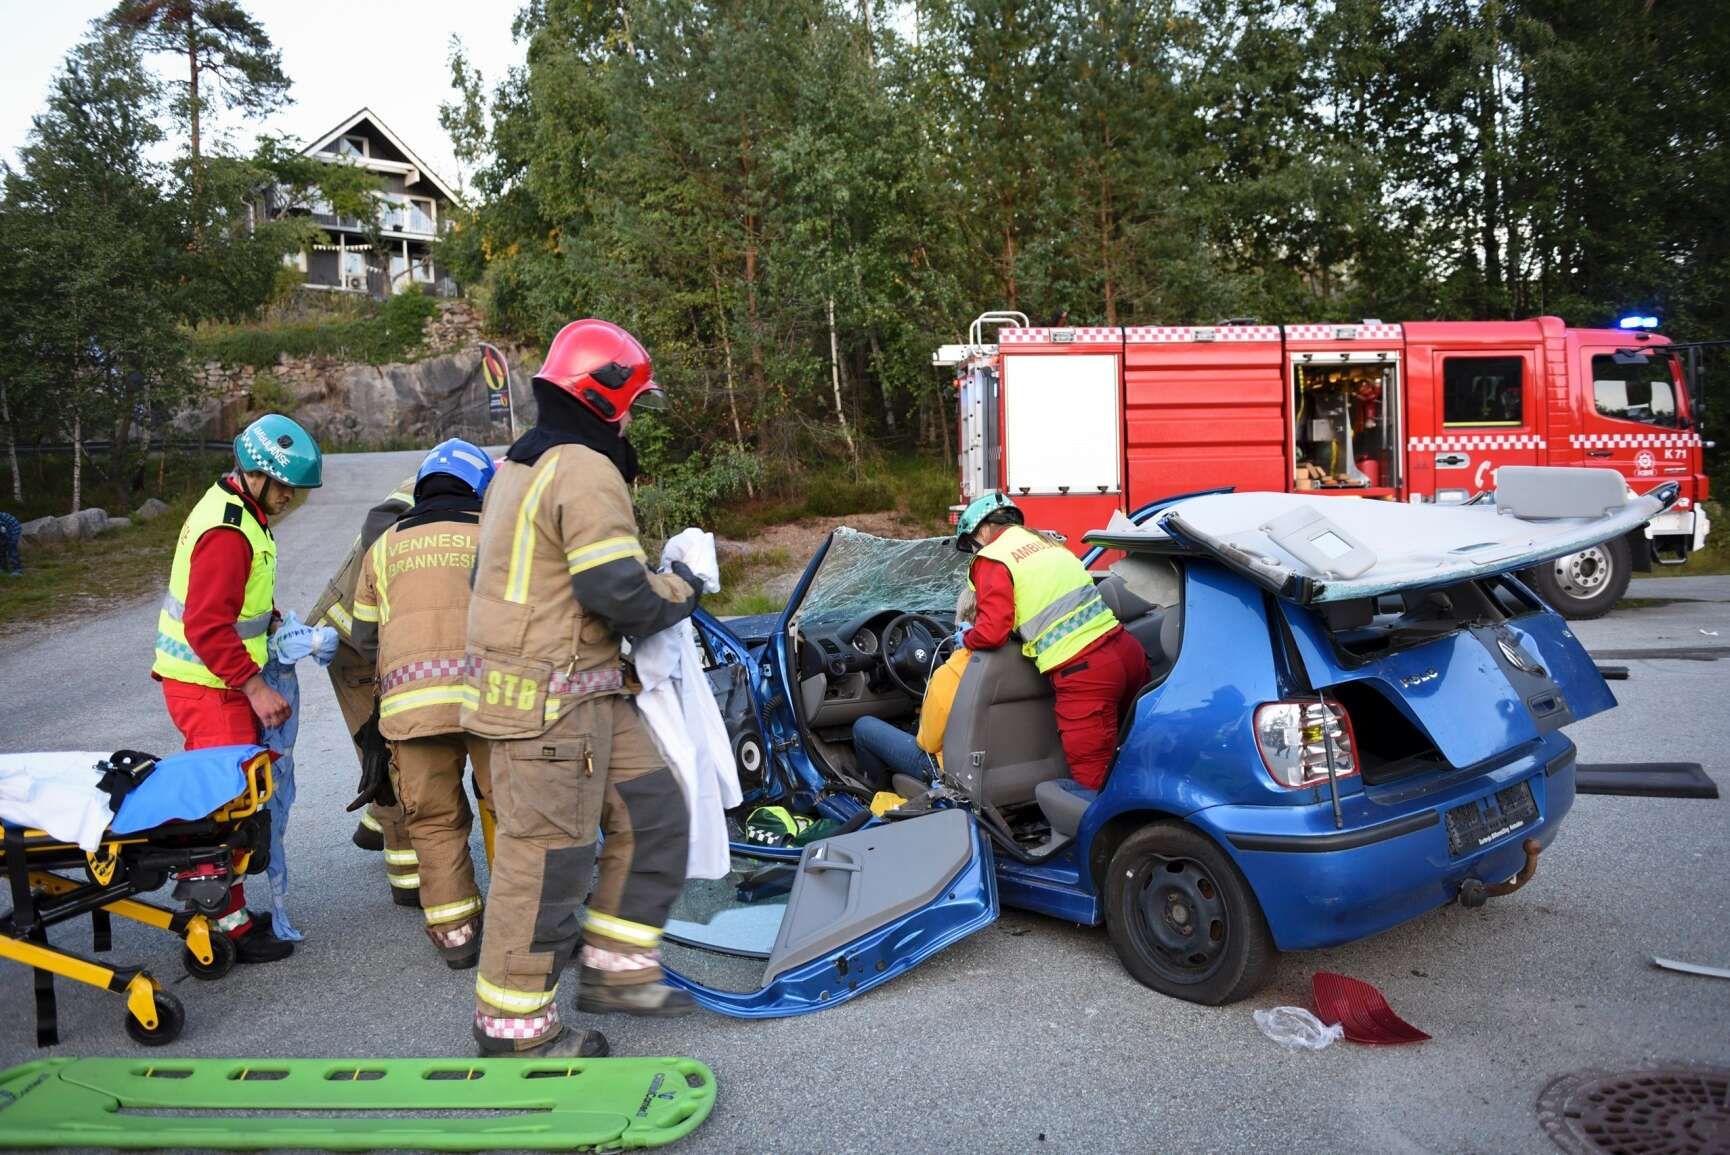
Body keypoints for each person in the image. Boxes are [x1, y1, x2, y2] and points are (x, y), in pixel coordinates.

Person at [464, 318, 703, 1059]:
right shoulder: (584, 467)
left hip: (580, 691)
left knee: (653, 809)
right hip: (551, 704)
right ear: (602, 398)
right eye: (629, 406)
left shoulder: (521, 465)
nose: (630, 422)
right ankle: (513, 1027)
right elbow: (616, 590)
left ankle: (615, 967)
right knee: (547, 863)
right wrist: (683, 586)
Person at [149, 413, 323, 964]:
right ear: (257, 474)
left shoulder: (242, 511)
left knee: (236, 800)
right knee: (224, 807)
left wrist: (273, 623)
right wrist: (255, 687)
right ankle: (227, 925)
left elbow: (235, 602)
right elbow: (206, 624)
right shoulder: (228, 531)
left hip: (213, 683)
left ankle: (227, 908)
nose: (291, 497)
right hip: (210, 687)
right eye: (286, 486)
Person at [349, 439, 497, 969]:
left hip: (411, 713)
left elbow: (364, 637)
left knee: (434, 821)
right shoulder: (494, 534)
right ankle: (528, 925)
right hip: (491, 704)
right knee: (513, 814)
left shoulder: (384, 546)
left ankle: (456, 933)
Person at [955, 491, 1148, 793]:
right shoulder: (1046, 543)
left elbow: (992, 632)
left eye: (971, 543)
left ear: (981, 530)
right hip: (1126, 651)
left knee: (1093, 779)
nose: (974, 549)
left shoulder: (993, 558)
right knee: (1138, 754)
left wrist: (966, 636)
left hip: (1085, 672)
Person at [307, 474, 424, 904]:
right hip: (354, 643)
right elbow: (379, 525)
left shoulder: (458, 480)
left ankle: (374, 827)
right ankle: (410, 881)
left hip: (372, 632)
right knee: (391, 756)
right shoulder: (433, 495)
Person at [849, 587, 976, 791]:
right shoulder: (1011, 663)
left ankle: (875, 790)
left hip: (945, 770)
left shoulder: (948, 674)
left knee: (863, 727)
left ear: (961, 621)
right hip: (991, 766)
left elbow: (928, 744)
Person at [0, 512, 21, 576]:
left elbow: (3, 531)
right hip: (4, 531)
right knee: (1, 550)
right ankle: (3, 568)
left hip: (14, 528)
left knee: (11, 549)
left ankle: (17, 569)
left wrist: (5, 541)